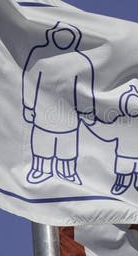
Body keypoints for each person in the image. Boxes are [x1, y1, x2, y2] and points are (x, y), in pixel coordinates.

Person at [22, 21, 95, 184]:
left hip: (68, 118)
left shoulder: (80, 61)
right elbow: (30, 81)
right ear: (52, 35)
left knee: (66, 149)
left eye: (68, 36)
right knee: (42, 145)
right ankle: (40, 169)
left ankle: (67, 172)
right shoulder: (40, 55)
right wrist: (28, 106)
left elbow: (85, 89)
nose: (64, 40)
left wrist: (88, 109)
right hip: (43, 113)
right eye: (60, 35)